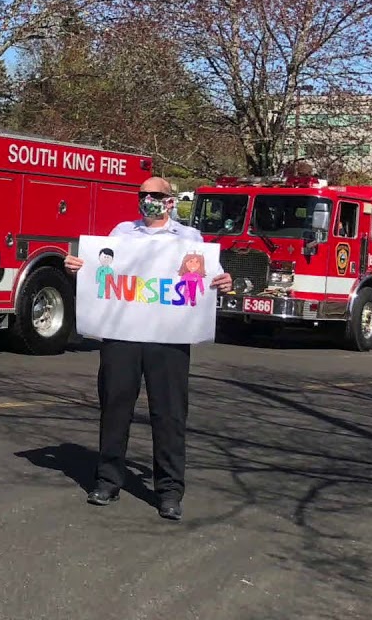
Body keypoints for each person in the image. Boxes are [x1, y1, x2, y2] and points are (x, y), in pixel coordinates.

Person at [64, 176, 232, 520]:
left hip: (169, 338)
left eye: (156, 195)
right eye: (143, 195)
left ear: (170, 201)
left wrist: (223, 281)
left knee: (168, 414)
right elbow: (103, 273)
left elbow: (208, 279)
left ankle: (169, 491)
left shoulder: (189, 239)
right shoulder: (122, 234)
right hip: (122, 335)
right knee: (115, 407)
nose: (148, 200)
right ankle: (108, 481)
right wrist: (78, 267)